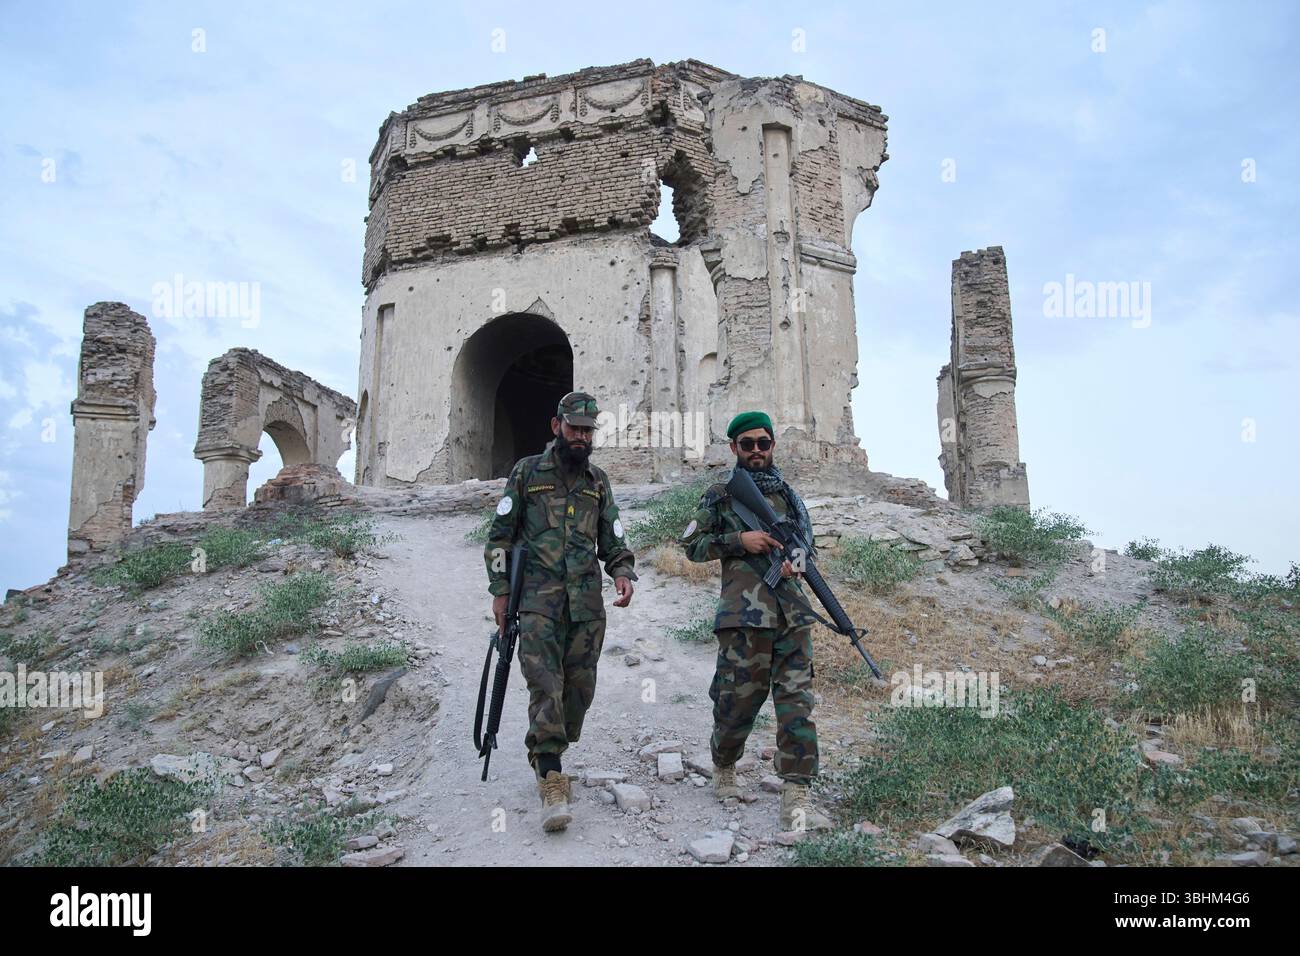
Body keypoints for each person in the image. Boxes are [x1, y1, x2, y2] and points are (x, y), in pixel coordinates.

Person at [483, 391, 636, 832]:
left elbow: (613, 537)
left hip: (586, 605)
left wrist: (622, 571)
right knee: (545, 685)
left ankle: (555, 745)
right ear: (557, 427)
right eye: (574, 428)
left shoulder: (598, 481)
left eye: (588, 430)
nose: (581, 437)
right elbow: (499, 537)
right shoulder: (527, 474)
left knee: (579, 689)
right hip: (536, 603)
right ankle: (550, 773)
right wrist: (499, 590)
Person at [680, 410, 832, 831]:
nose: (756, 451)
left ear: (772, 446)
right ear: (734, 449)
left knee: (797, 706)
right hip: (744, 618)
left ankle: (796, 794)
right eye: (747, 444)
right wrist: (738, 541)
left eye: (763, 443)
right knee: (737, 703)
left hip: (792, 618)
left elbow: (808, 553)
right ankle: (724, 763)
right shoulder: (721, 496)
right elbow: (690, 545)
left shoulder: (789, 498)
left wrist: (792, 565)